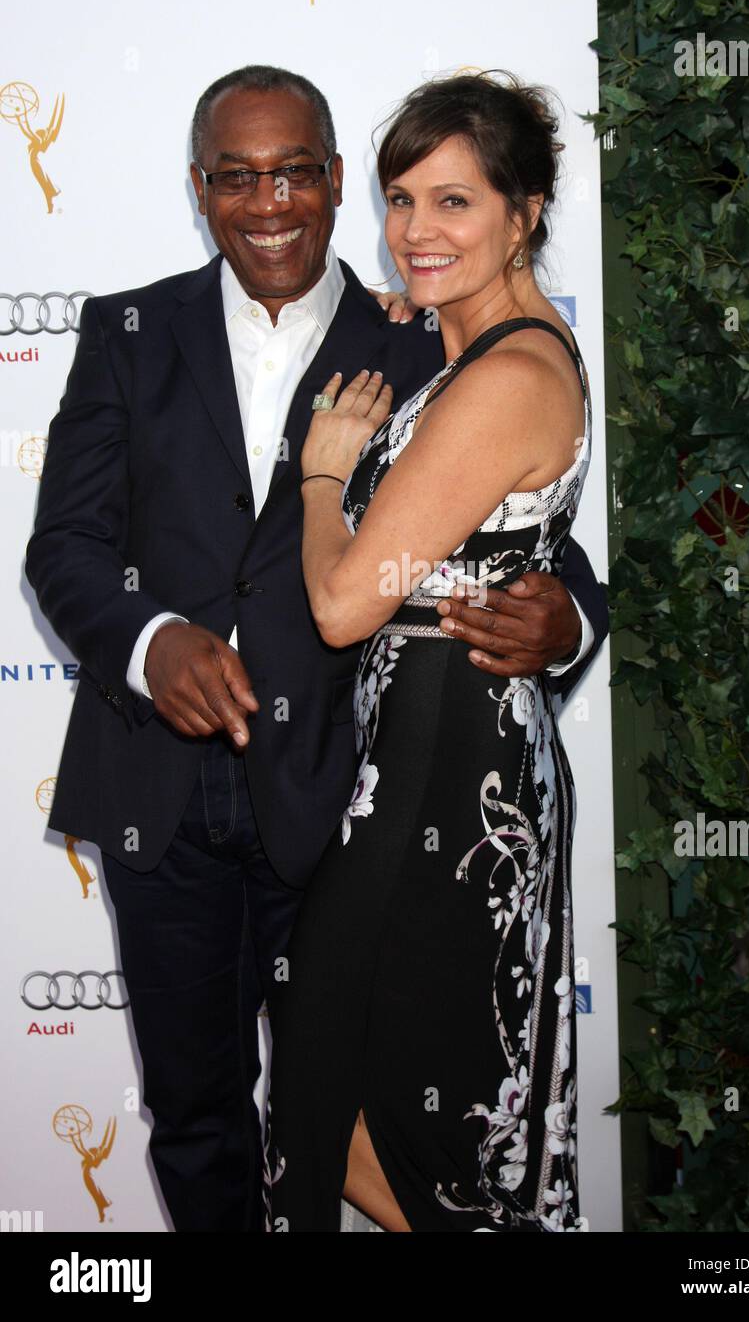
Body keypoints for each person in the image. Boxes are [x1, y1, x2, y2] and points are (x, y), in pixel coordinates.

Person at [24, 65, 607, 1234]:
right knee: (198, 1114)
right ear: (201, 191)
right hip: (162, 792)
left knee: (356, 1110)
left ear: (336, 183)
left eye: (294, 171)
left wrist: (576, 616)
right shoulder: (127, 331)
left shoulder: (418, 334)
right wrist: (148, 641)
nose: (269, 200)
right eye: (237, 178)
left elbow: (520, 517)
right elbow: (63, 550)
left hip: (348, 800)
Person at [265, 72, 593, 1233]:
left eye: (454, 203)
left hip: (445, 772)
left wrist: (323, 471)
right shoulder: (480, 352)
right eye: (401, 201)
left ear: (526, 210)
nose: (416, 231)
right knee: (378, 1092)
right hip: (422, 755)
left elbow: (350, 605)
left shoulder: (505, 376)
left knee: (379, 1093)